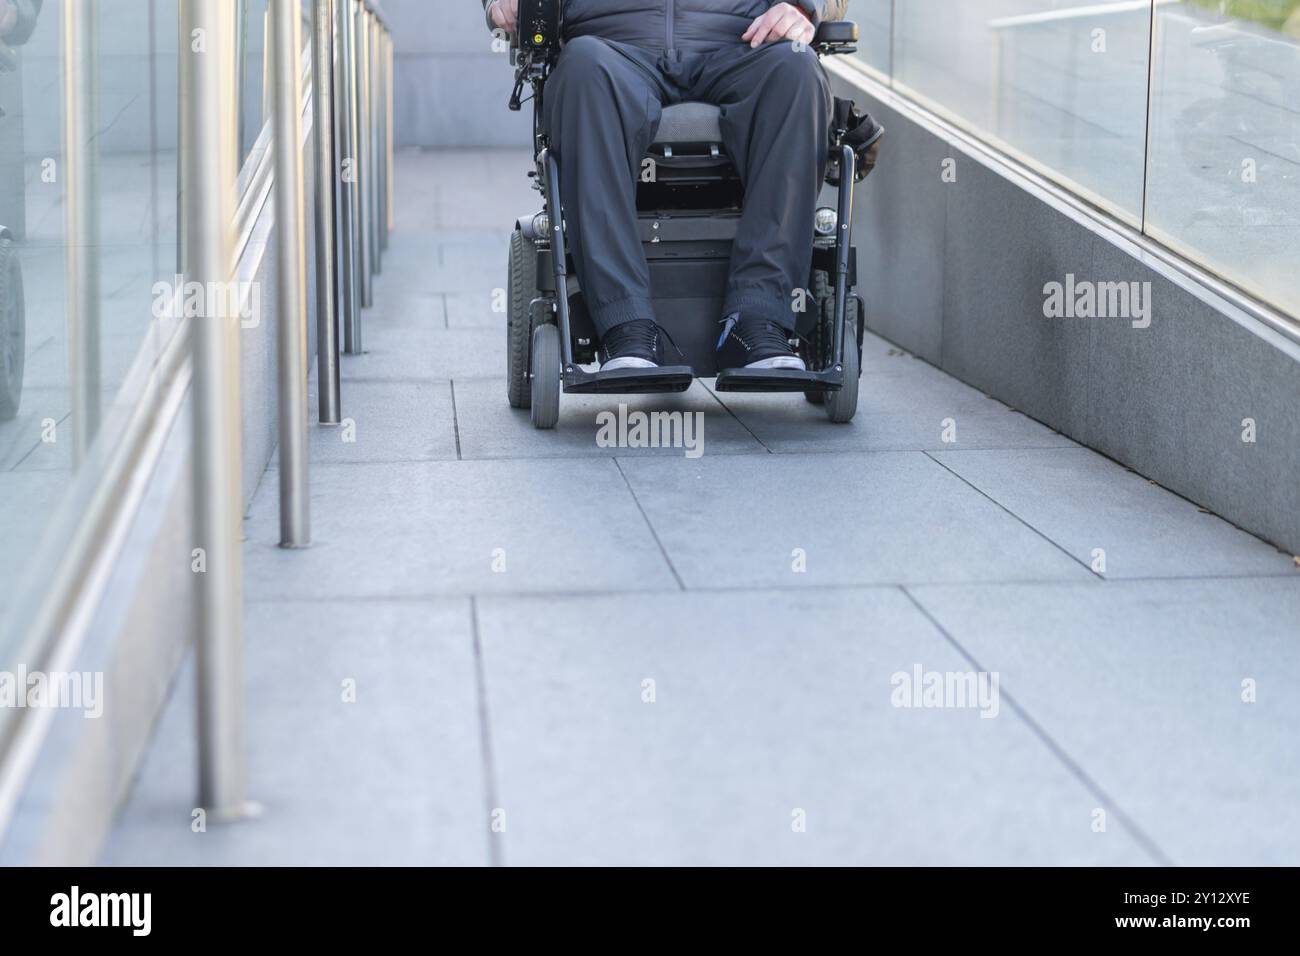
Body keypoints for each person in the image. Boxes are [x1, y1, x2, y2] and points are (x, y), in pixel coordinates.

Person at [484, 0, 847, 373]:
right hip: (612, 48)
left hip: (742, 46)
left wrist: (805, 7)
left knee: (798, 69)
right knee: (582, 66)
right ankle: (625, 324)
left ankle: (757, 318)